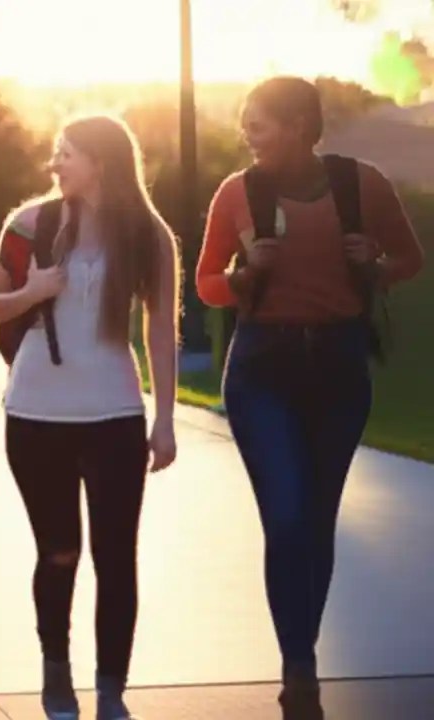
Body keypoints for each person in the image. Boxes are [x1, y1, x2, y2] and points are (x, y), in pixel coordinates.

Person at [197, 76, 423, 720]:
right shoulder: (237, 192)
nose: (247, 134)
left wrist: (375, 262)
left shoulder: (362, 185)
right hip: (262, 369)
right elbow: (208, 282)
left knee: (317, 519)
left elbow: (410, 258)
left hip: (339, 368)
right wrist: (245, 276)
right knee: (289, 514)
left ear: (299, 124)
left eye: (258, 122)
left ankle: (302, 657)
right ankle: (299, 665)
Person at [0, 114, 180, 720]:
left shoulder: (149, 234)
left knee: (117, 557)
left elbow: (160, 331)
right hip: (36, 413)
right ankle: (55, 673)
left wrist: (165, 419)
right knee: (59, 551)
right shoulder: (29, 224)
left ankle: (112, 689)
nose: (55, 164)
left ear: (101, 160)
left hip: (115, 414)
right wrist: (35, 290)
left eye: (65, 153)